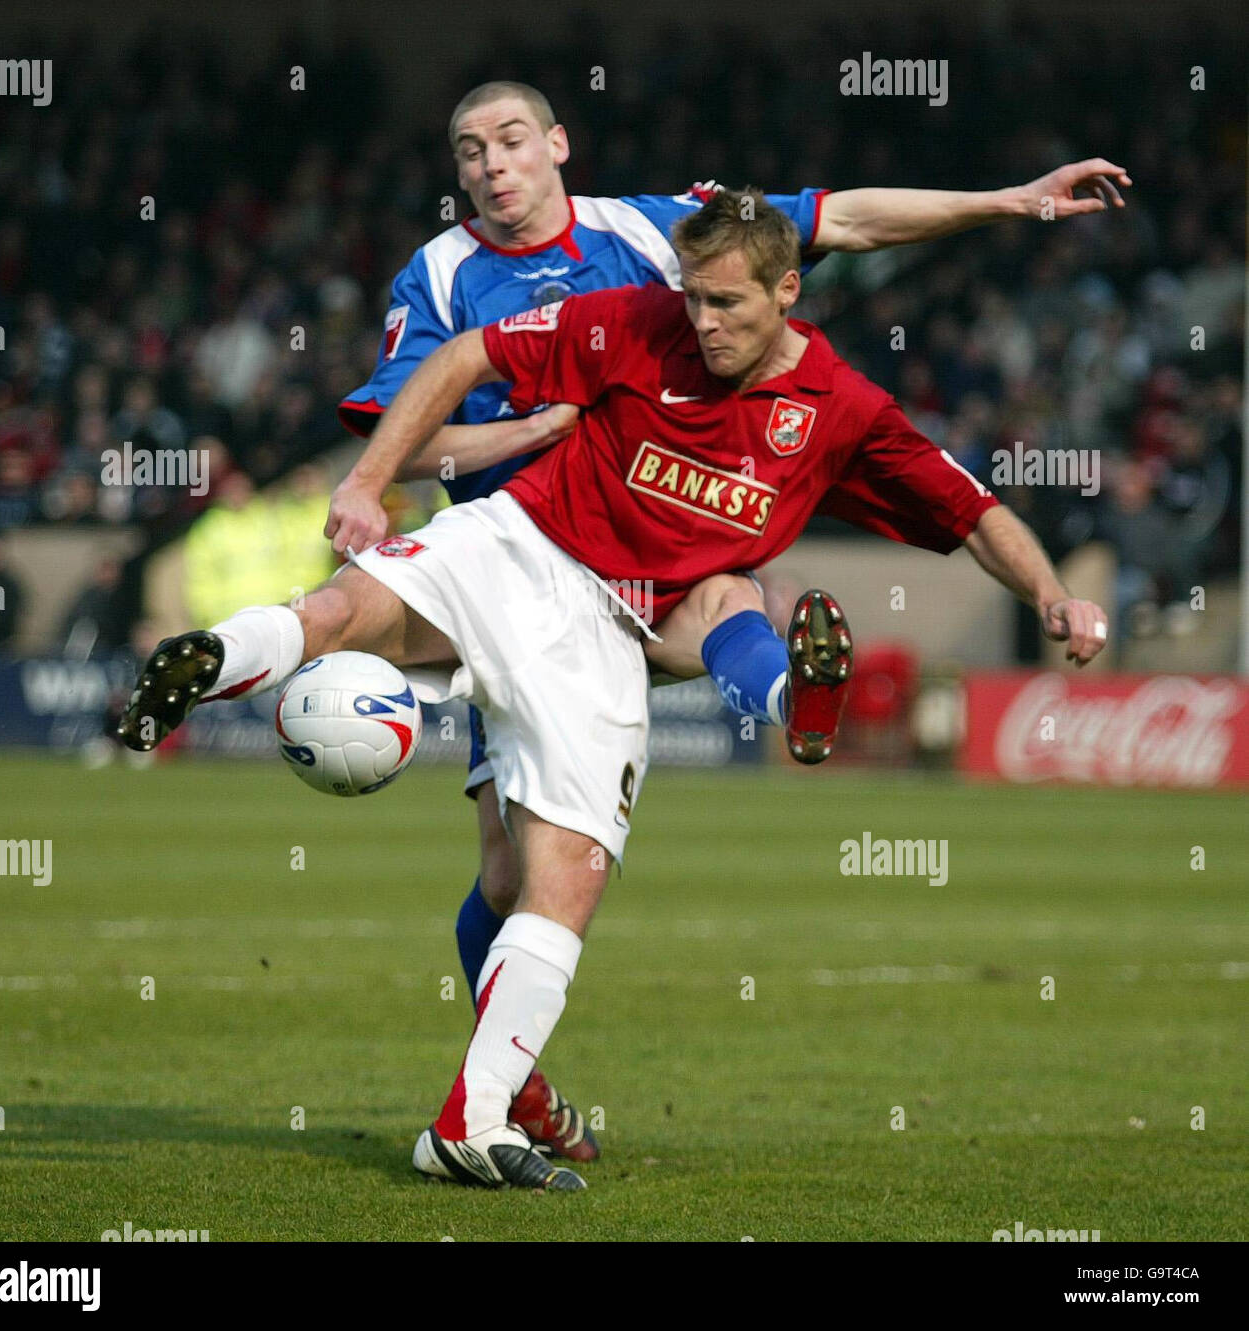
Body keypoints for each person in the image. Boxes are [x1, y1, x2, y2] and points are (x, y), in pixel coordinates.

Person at [116, 189, 1109, 1191]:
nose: (702, 322)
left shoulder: (843, 410)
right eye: (692, 299)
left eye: (725, 304)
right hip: (523, 540)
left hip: (619, 628)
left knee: (564, 874)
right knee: (337, 613)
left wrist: (1053, 595)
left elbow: (970, 508)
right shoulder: (635, 320)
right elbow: (466, 359)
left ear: (788, 291)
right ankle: (209, 660)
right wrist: (368, 484)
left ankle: (473, 1117)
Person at [329, 80, 1130, 1162]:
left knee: (726, 594)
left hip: (662, 549)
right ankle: (507, 1093)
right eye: (468, 150)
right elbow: (407, 434)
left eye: (511, 140)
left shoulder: (657, 231)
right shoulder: (436, 276)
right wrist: (533, 430)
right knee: (509, 879)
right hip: (517, 575)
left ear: (557, 143)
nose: (491, 164)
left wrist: (1008, 202)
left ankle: (787, 696)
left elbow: (841, 216)